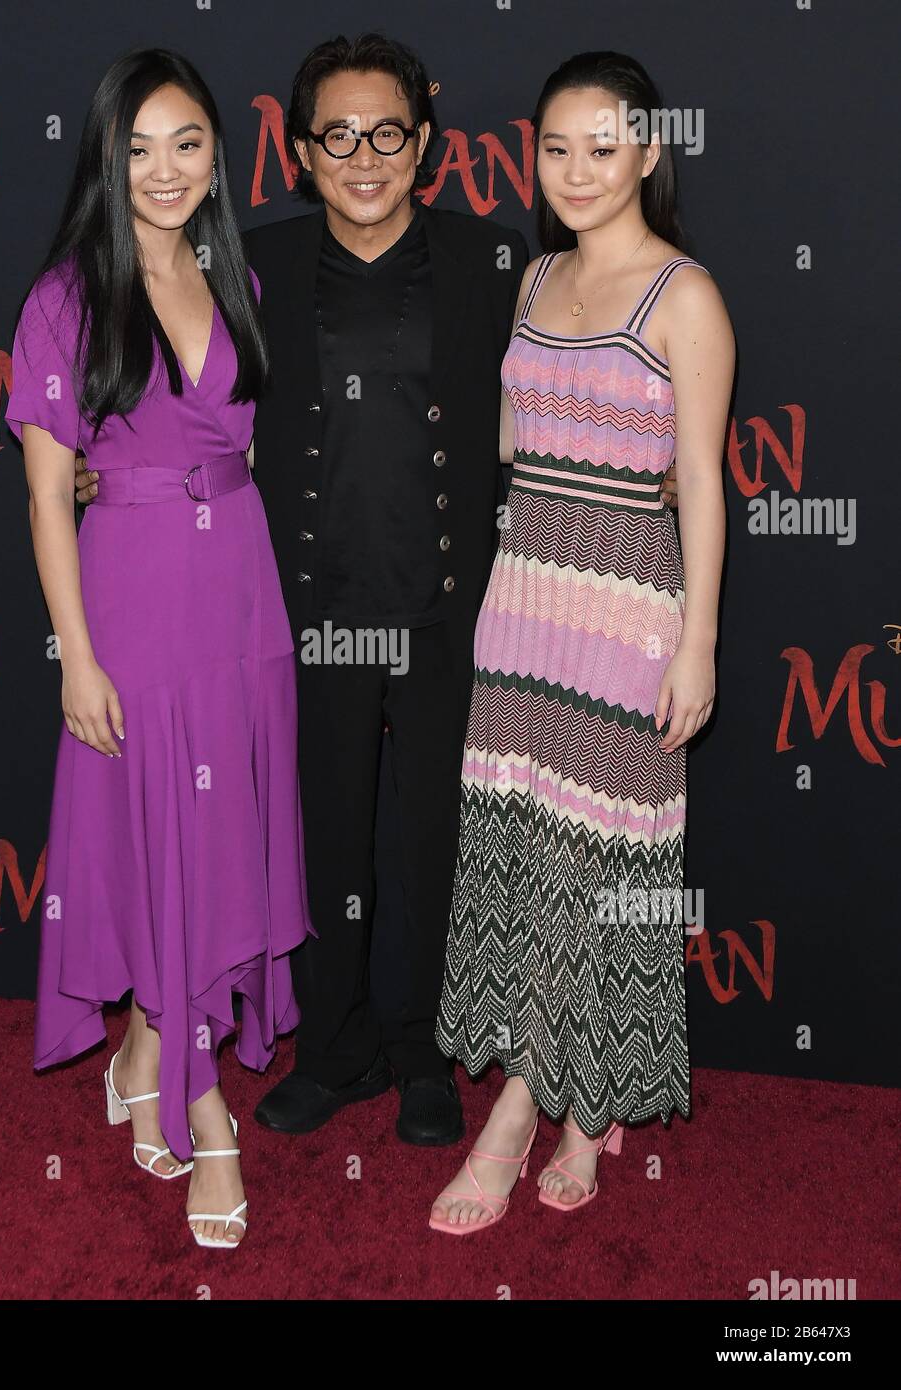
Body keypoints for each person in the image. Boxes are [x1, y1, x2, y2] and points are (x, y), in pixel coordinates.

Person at [75, 33, 680, 1152]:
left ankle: (420, 1046)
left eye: (387, 132)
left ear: (425, 146)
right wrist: (95, 466)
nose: (364, 155)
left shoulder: (494, 264)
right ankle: (337, 1045)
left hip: (457, 609)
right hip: (306, 613)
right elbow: (168, 384)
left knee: (433, 840)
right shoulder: (249, 264)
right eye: (337, 134)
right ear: (300, 149)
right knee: (324, 837)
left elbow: (581, 392)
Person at [6, 47, 313, 1249]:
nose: (165, 170)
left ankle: (146, 1033)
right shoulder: (64, 296)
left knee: (218, 832)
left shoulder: (229, 266)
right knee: (157, 837)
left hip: (240, 587)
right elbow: (44, 499)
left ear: (217, 156)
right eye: (136, 148)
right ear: (102, 157)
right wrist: (75, 655)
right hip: (130, 597)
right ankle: (203, 1113)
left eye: (187, 143)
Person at [430, 51, 732, 1232]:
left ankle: (544, 1107)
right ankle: (554, 1087)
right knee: (523, 842)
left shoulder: (684, 297)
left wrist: (695, 640)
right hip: (522, 604)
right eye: (553, 149)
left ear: (650, 151)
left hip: (625, 607)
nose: (574, 171)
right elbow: (512, 443)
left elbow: (699, 482)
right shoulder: (534, 278)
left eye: (602, 147)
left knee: (601, 860)